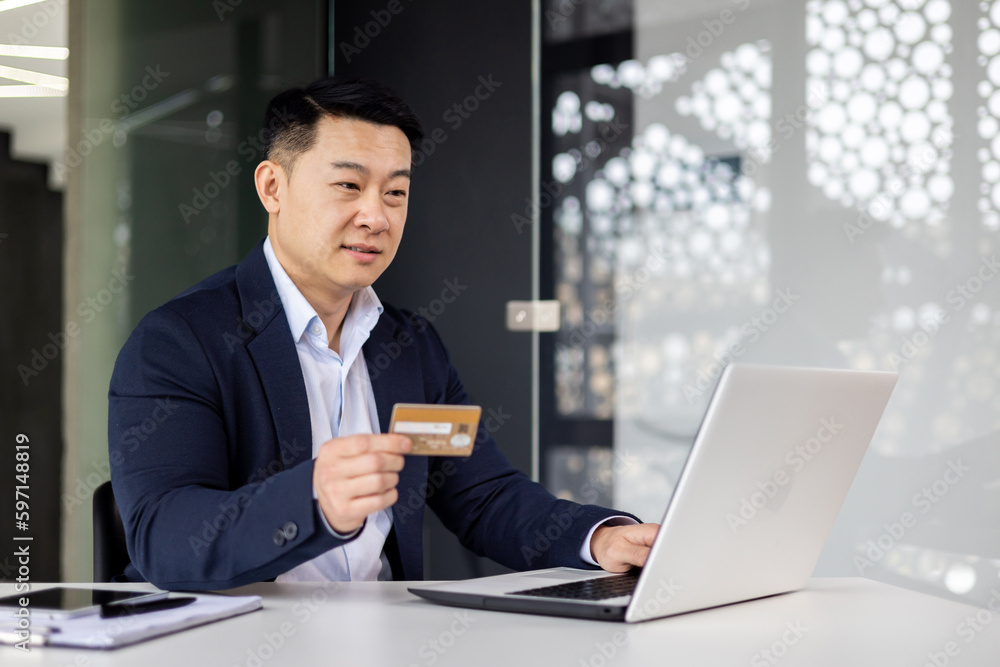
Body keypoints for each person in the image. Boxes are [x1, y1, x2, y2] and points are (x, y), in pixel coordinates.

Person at [108, 76, 658, 590]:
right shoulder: (179, 341)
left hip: (385, 635)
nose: (376, 217)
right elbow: (164, 534)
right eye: (349, 185)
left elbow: (482, 496)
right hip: (235, 638)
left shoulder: (410, 345)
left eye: (395, 192)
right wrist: (311, 501)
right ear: (273, 187)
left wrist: (598, 538)